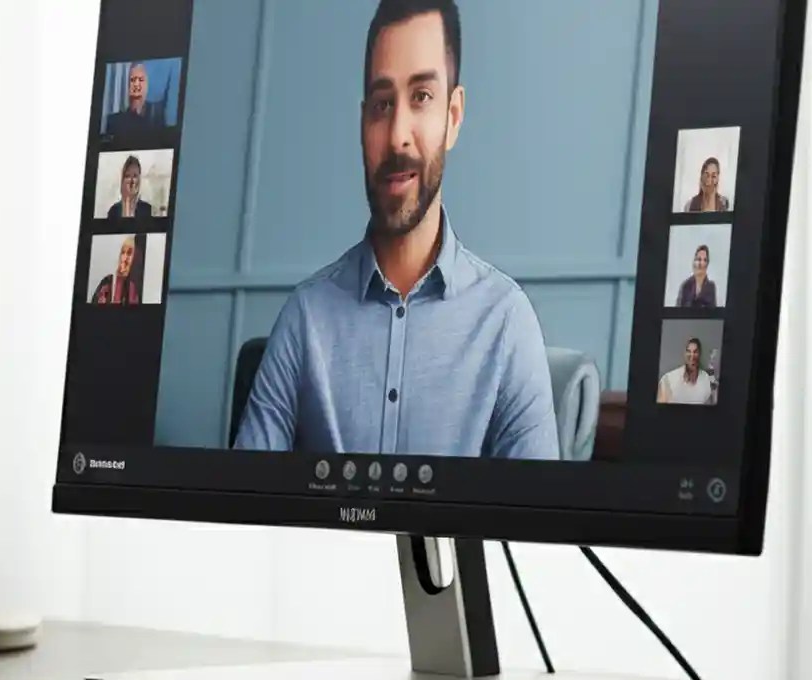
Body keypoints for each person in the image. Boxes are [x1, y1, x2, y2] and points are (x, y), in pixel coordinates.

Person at [235, 0, 559, 460]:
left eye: (422, 97)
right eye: (382, 105)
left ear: (453, 115)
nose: (396, 136)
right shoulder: (305, 318)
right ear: (362, 121)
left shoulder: (507, 325)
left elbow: (533, 527)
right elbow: (245, 511)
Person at [105, 63, 161, 137]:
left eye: (141, 80)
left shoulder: (157, 119)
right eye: (133, 80)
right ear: (128, 85)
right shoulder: (115, 121)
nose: (136, 85)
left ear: (147, 85)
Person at [657, 338, 716, 405]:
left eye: (695, 352)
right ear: (685, 354)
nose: (692, 356)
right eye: (689, 351)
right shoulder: (668, 380)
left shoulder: (707, 380)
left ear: (699, 354)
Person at [92, 235, 141, 305]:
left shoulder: (133, 289)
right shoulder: (107, 282)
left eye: (129, 253)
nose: (124, 258)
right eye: (123, 252)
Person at [106, 155, 153, 221]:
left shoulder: (147, 210)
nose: (131, 181)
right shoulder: (113, 211)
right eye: (127, 176)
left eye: (135, 176)